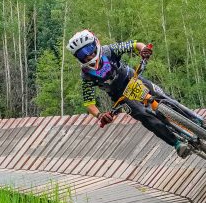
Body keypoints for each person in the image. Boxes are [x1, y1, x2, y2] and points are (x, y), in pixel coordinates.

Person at [67, 29, 191, 158]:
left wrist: (143, 50)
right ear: (77, 58)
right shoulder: (86, 75)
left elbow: (134, 44)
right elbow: (89, 103)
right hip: (120, 96)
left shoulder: (108, 50)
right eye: (82, 54)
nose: (89, 56)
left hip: (132, 78)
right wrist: (99, 115)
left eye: (89, 50)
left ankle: (193, 119)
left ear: (95, 44)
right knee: (144, 116)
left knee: (162, 97)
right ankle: (176, 144)